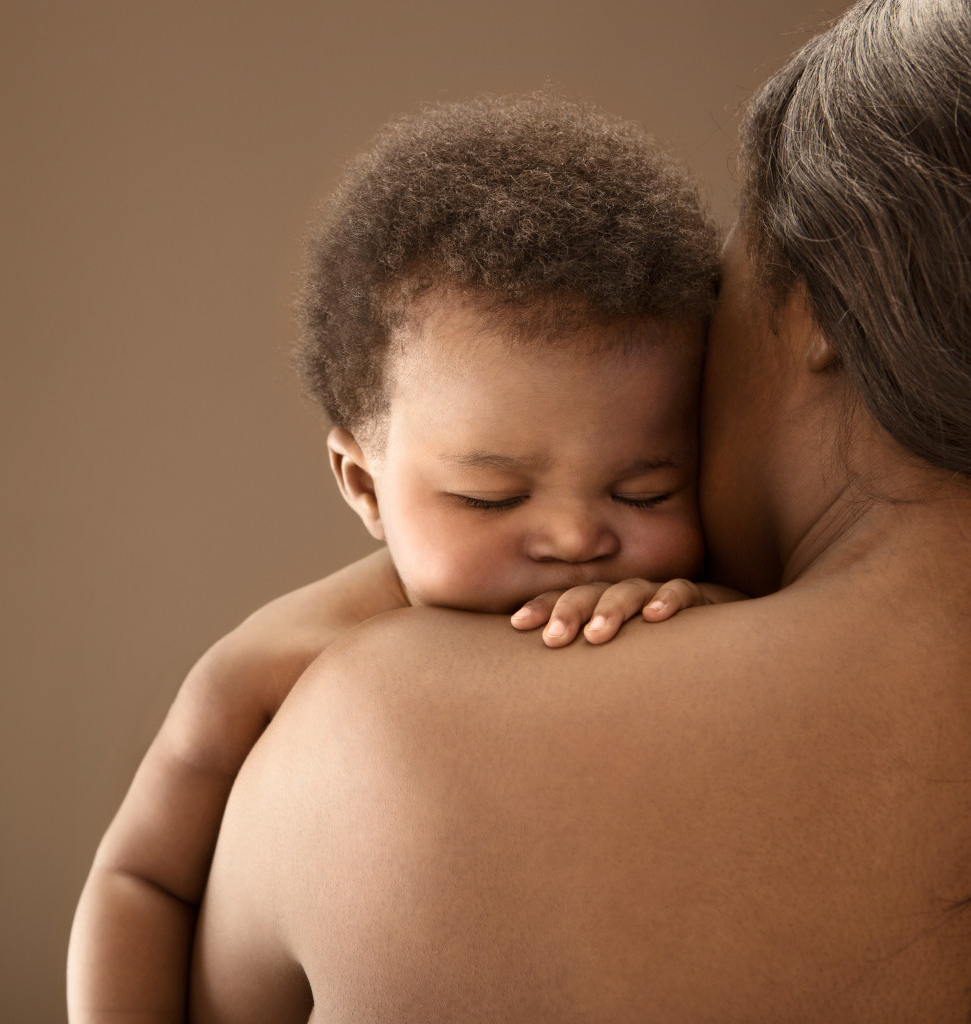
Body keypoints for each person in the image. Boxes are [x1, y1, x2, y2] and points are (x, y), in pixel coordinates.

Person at [188, 1, 971, 1021]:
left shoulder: (374, 745)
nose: (579, 538)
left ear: (819, 312)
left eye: (735, 264)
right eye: (493, 494)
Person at [68, 95, 744, 1021]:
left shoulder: (678, 600)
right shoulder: (279, 659)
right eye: (492, 499)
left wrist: (704, 612)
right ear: (363, 484)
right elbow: (139, 879)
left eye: (646, 491)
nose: (577, 538)